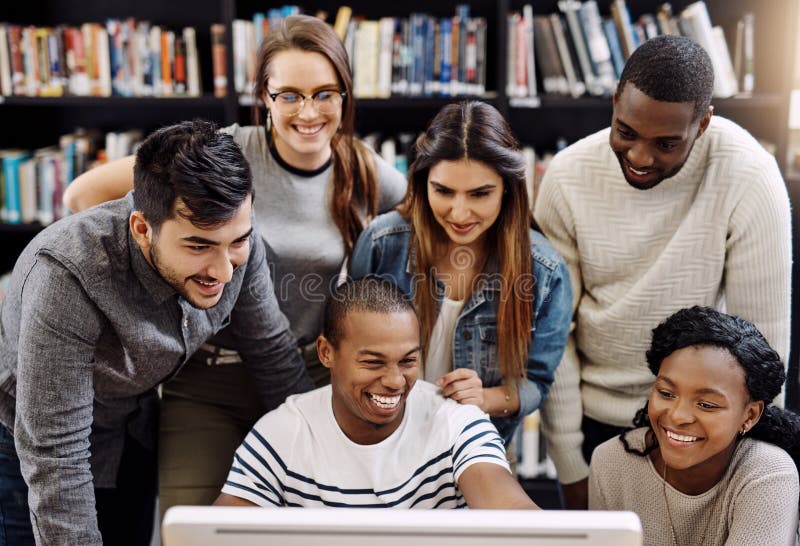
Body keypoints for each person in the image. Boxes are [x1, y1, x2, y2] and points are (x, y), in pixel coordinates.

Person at [63, 15, 407, 514]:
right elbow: (83, 193)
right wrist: (145, 283)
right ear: (265, 97)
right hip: (209, 380)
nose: (307, 111)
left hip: (307, 373)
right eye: (288, 94)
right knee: (193, 526)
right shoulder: (226, 152)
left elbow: (434, 211)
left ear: (345, 96)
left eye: (324, 93)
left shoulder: (362, 166)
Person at [0, 120, 312, 546]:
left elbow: (272, 354)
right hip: (29, 440)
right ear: (143, 229)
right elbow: (56, 456)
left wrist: (320, 456)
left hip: (129, 426)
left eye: (236, 241)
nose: (223, 271)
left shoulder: (237, 246)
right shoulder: (66, 276)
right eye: (198, 246)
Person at [533, 34, 792, 508]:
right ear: (615, 101)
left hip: (706, 420)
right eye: (626, 132)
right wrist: (570, 466)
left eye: (666, 143)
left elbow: (764, 347)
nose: (639, 157)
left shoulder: (749, 174)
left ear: (703, 124)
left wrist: (760, 468)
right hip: (600, 424)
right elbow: (556, 339)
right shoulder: (567, 178)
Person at [348, 101, 572, 448]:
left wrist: (485, 398)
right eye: (443, 191)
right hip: (380, 445)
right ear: (423, 182)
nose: (460, 212)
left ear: (508, 188)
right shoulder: (381, 243)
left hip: (477, 451)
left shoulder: (544, 271)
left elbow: (536, 383)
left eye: (480, 194)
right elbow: (351, 353)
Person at [214, 276, 538, 509]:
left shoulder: (457, 421)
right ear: (326, 353)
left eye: (408, 360)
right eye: (373, 362)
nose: (396, 381)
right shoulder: (283, 431)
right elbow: (219, 535)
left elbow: (510, 509)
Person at [588, 306, 800, 546]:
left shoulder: (768, 473)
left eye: (707, 404)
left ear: (749, 415)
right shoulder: (612, 462)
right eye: (666, 393)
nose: (678, 416)